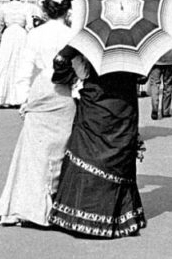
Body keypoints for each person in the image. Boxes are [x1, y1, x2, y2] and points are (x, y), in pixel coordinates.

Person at [0, 0, 85, 227]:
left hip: (41, 89)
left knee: (35, 152)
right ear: (67, 9)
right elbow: (80, 73)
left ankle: (31, 206)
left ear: (44, 9)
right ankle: (54, 203)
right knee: (59, 150)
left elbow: (23, 72)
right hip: (65, 93)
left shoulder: (35, 35)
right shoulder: (73, 35)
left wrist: (24, 100)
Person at [47, 29, 147, 237]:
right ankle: (119, 215)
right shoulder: (135, 42)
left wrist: (75, 70)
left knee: (87, 151)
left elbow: (60, 61)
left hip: (96, 103)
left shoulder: (92, 36)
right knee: (119, 153)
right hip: (124, 106)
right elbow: (143, 77)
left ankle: (82, 213)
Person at [147, 47, 172, 120]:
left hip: (156, 58)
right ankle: (165, 111)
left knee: (154, 84)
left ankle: (155, 108)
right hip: (170, 58)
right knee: (168, 85)